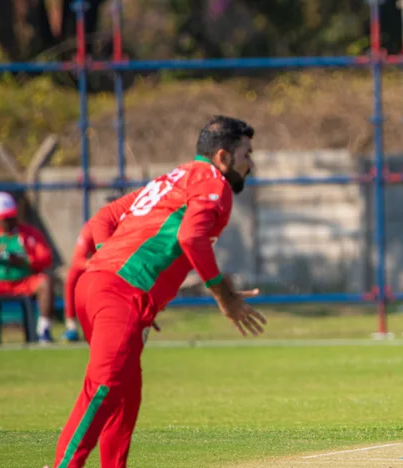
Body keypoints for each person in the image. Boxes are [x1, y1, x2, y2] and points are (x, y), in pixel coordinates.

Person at [51, 115, 267, 468]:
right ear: (224, 157)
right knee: (104, 387)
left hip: (101, 289)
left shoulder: (175, 177)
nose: (251, 163)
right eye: (247, 153)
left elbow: (102, 218)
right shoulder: (214, 183)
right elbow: (191, 237)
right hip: (117, 293)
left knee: (123, 398)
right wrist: (225, 298)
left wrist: (112, 267)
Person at [0, 192, 55, 344]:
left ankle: (44, 330)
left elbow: (46, 258)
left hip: (23, 282)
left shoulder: (30, 233)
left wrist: (25, 260)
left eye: (11, 217)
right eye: (4, 219)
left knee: (45, 283)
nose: (8, 222)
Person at [61, 193, 125, 342]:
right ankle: (71, 326)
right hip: (99, 270)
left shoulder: (128, 227)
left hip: (122, 270)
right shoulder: (92, 227)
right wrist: (97, 264)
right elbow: (77, 259)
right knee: (72, 275)